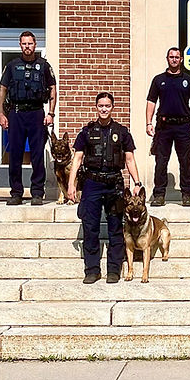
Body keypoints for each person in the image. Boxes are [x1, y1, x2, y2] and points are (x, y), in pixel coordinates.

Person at [67, 92, 142, 284]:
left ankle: (114, 270)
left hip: (114, 183)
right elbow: (77, 159)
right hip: (92, 183)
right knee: (90, 227)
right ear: (96, 107)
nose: (104, 109)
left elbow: (129, 159)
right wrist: (71, 184)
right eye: (101, 106)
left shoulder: (122, 132)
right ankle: (92, 270)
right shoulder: (87, 131)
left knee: (115, 228)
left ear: (112, 107)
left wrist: (137, 183)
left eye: (107, 106)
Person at [0, 31, 57, 206]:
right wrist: (1, 114)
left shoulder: (44, 66)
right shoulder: (12, 66)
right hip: (16, 113)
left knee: (37, 154)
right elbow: (2, 90)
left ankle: (37, 193)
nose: (27, 47)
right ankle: (16, 192)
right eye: (24, 44)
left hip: (36, 113)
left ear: (35, 44)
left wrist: (51, 113)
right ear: (20, 45)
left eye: (30, 43)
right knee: (15, 154)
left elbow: (53, 89)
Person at [145, 47, 190, 207]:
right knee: (161, 161)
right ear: (167, 58)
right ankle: (159, 195)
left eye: (177, 57)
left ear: (181, 59)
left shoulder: (189, 80)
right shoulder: (158, 80)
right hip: (164, 126)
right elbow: (151, 102)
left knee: (185, 162)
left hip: (184, 126)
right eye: (171, 57)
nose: (174, 60)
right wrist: (149, 123)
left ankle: (187, 194)